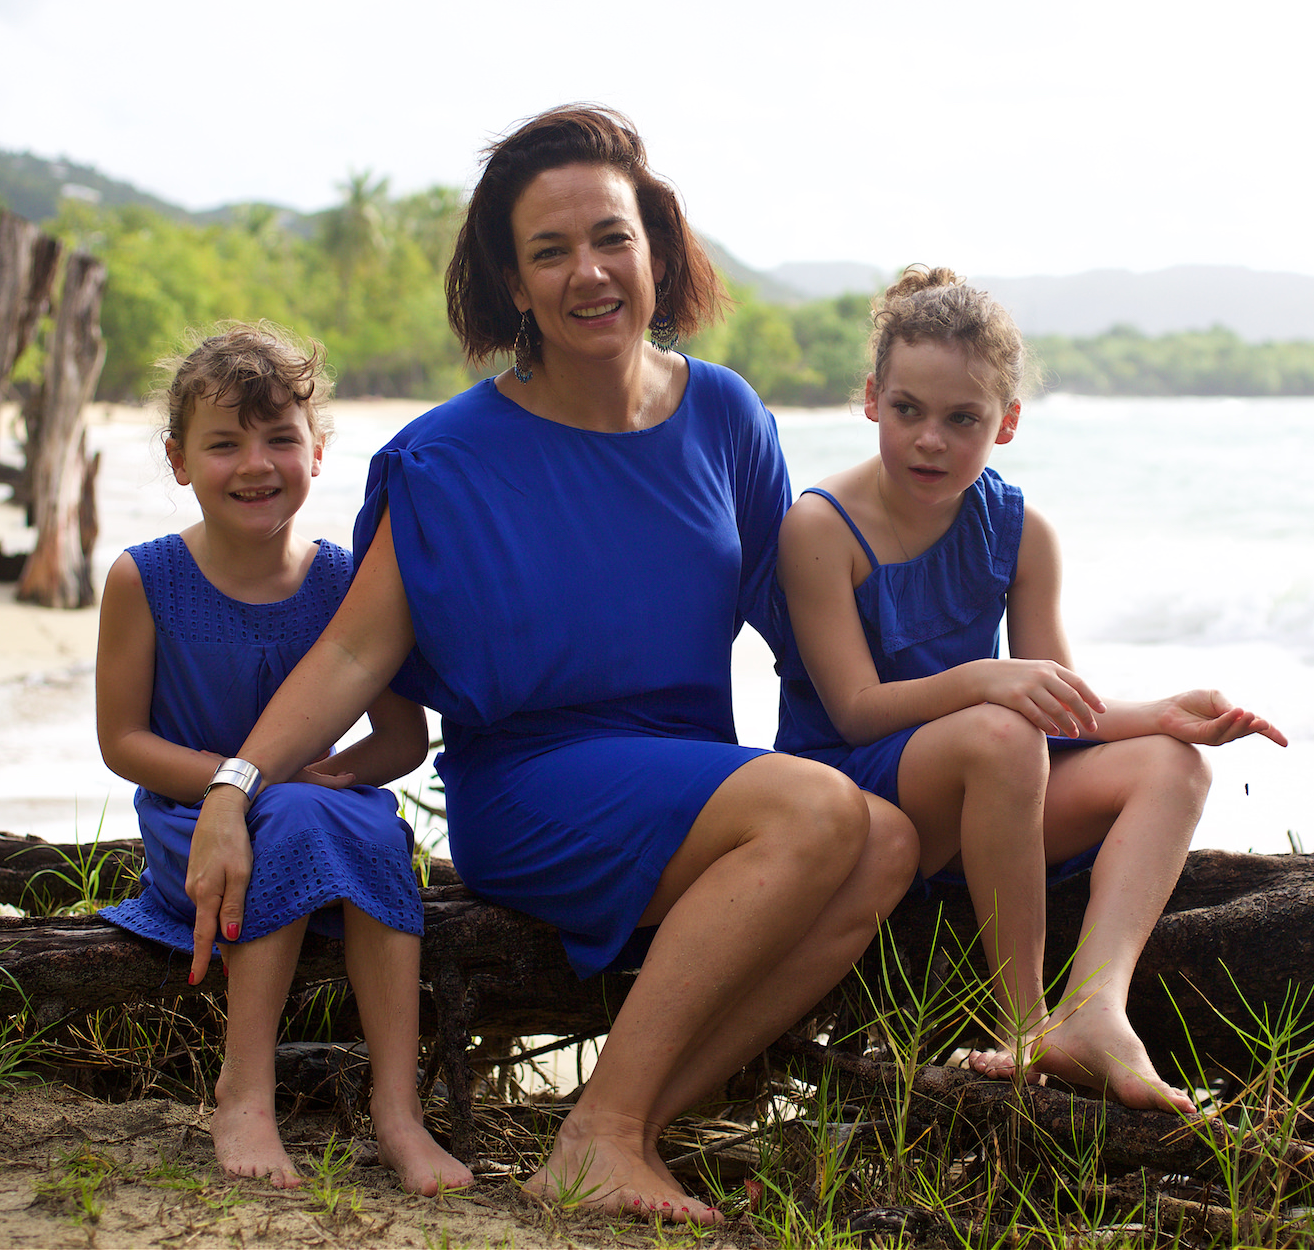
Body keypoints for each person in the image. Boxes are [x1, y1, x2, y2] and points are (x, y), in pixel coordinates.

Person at [181, 107, 919, 1226]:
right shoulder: (444, 458)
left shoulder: (723, 414)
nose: (589, 272)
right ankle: (600, 1133)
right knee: (817, 816)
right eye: (550, 252)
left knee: (890, 841)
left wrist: (1001, 703)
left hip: (693, 778)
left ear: (655, 252)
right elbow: (350, 649)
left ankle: (627, 1127)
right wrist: (235, 787)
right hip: (530, 787)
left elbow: (807, 622)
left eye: (611, 238)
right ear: (511, 286)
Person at [774, 267, 1288, 1114]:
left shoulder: (1021, 532)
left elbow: (1059, 708)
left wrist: (1161, 715)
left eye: (962, 418)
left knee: (1173, 767)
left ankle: (1096, 1011)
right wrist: (984, 681)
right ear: (871, 398)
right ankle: (1026, 1020)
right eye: (907, 409)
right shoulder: (821, 526)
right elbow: (854, 710)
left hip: (989, 795)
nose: (930, 439)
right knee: (1002, 734)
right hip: (858, 801)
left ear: (1005, 423)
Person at [95, 323, 471, 1194]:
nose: (255, 463)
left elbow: (402, 739)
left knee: (357, 817)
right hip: (196, 827)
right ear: (179, 458)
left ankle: (398, 1111)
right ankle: (244, 1091)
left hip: (318, 816)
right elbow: (123, 742)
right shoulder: (144, 578)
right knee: (298, 814)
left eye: (279, 439)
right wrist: (250, 783)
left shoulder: (346, 581)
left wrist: (318, 781)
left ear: (319, 450)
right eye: (223, 443)